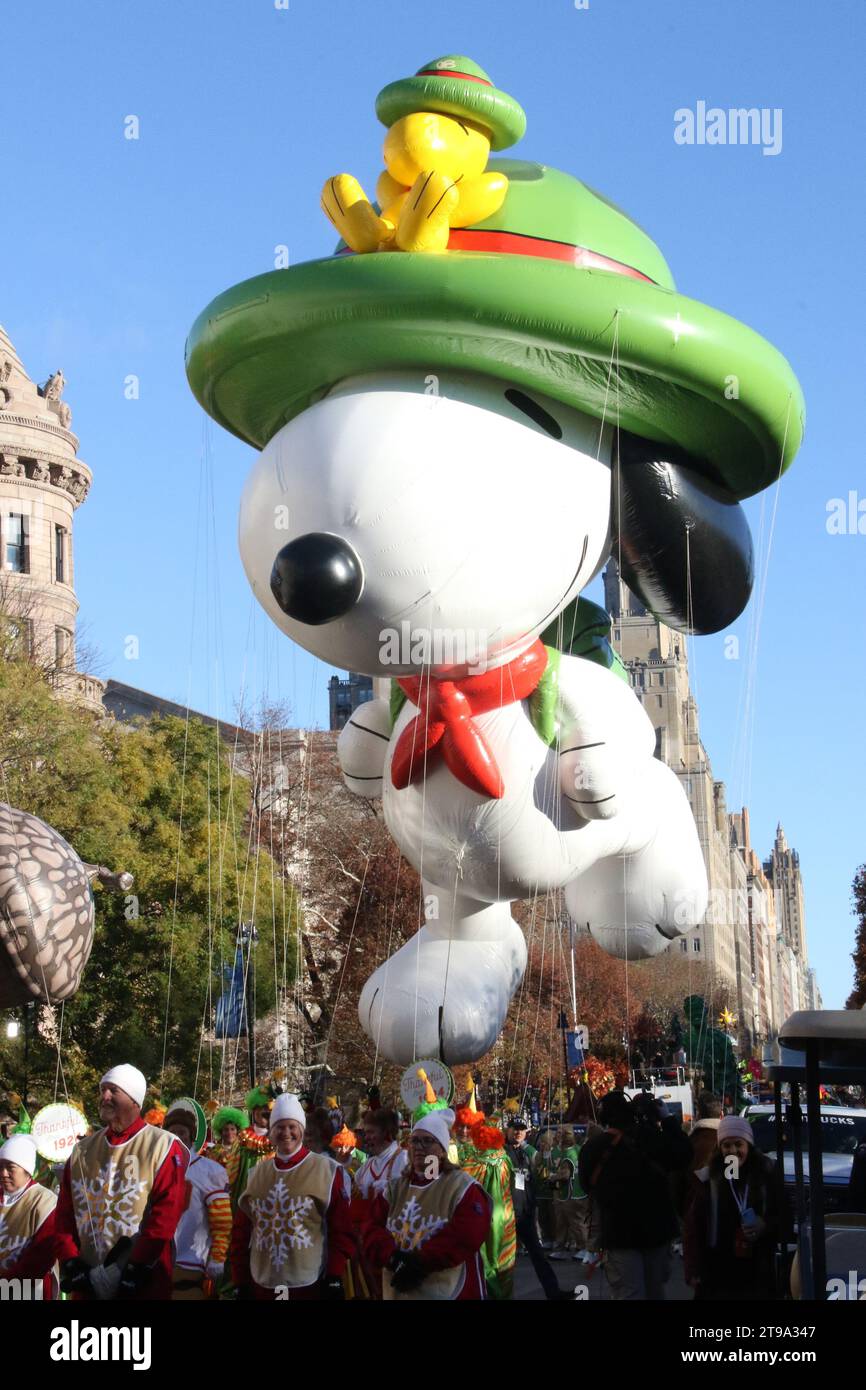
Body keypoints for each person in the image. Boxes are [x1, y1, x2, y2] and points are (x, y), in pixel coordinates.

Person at [54, 1063, 188, 1300]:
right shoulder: (81, 1151)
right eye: (103, 1089)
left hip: (141, 1283)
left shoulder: (163, 1146)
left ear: (134, 1100)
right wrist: (71, 1260)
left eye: (114, 1090)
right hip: (87, 1283)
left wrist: (134, 1267)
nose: (105, 1096)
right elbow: (65, 1213)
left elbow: (165, 1216)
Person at [231, 1093, 353, 1300]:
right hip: (262, 1283)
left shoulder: (328, 1170)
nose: (286, 1133)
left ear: (302, 1131)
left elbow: (340, 1229)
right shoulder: (257, 1173)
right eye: (279, 1126)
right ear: (271, 1131)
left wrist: (334, 1274)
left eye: (292, 1127)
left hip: (308, 1284)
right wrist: (239, 1279)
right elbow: (242, 1231)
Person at [363, 1106, 491, 1300]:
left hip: (446, 1289)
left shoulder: (462, 1187)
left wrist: (419, 1263)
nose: (419, 1147)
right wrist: (392, 1258)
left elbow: (467, 1234)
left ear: (441, 1150)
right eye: (414, 1140)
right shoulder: (395, 1188)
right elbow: (371, 1226)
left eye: (428, 1141)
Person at [578, 1089, 691, 1300]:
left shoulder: (592, 1148)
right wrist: (666, 1119)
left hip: (618, 1233)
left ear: (603, 1117)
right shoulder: (652, 1138)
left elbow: (586, 1186)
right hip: (657, 1230)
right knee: (655, 1291)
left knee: (629, 1293)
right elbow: (684, 1154)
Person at [683, 1114, 785, 1301]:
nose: (733, 1151)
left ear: (749, 1145)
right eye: (726, 1145)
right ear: (719, 1148)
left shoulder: (766, 1175)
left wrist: (765, 1224)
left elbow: (784, 1217)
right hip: (718, 1274)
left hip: (757, 1272)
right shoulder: (708, 1179)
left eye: (739, 1144)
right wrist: (692, 1269)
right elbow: (693, 1227)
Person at [164, 1099, 232, 1300]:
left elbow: (222, 1222)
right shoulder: (156, 1168)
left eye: (182, 1133)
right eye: (172, 1132)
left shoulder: (209, 1171)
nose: (176, 1137)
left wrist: (217, 1257)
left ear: (191, 1136)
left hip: (192, 1263)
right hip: (158, 1262)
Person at [461, 1119, 517, 1299]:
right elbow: (512, 1183)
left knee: (485, 1261)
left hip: (483, 1216)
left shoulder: (473, 1162)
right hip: (506, 1216)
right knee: (505, 1259)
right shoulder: (505, 1158)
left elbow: (462, 1188)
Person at [0, 1134, 59, 1298]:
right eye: (0, 1166)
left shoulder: (45, 1202)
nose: (3, 1173)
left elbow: (40, 1258)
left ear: (27, 1169)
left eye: (10, 1167)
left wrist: (6, 1282)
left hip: (28, 1290)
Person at [225, 1086, 274, 1212]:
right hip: (245, 1193)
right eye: (259, 1108)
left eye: (267, 1108)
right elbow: (232, 1168)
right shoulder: (243, 1137)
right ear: (253, 1111)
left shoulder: (279, 1138)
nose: (264, 1111)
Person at [550, 1125, 591, 1262]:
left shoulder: (568, 1153)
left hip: (572, 1193)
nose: (557, 1136)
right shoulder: (578, 1150)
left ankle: (583, 1248)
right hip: (578, 1192)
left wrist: (553, 1177)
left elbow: (566, 1174)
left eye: (560, 1134)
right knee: (570, 1221)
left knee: (576, 1222)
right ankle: (566, 1247)